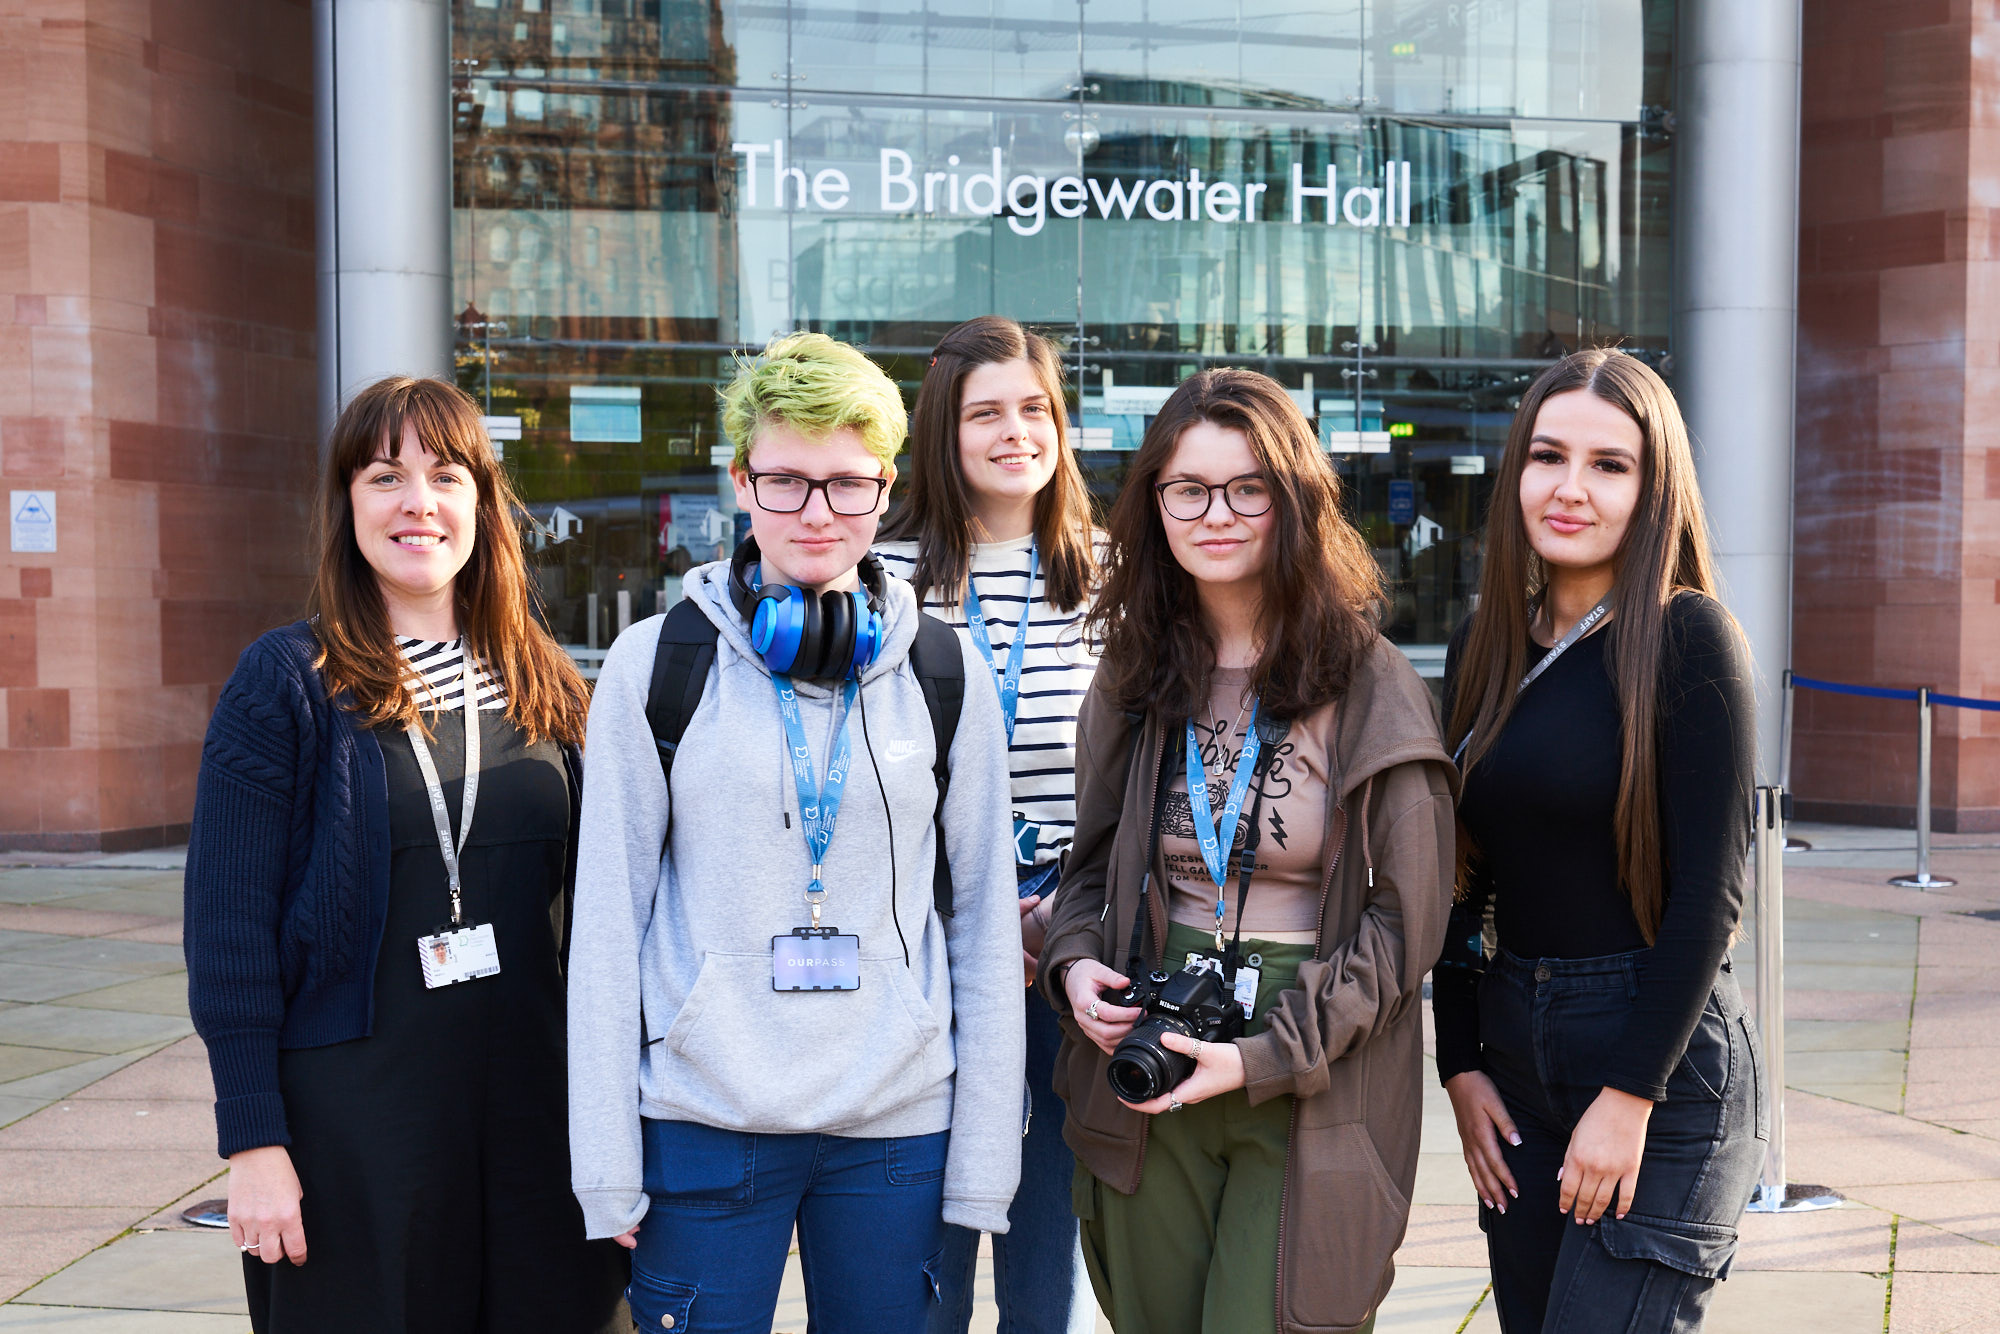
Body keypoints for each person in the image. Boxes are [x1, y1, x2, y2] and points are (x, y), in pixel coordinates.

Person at [566, 332, 1026, 1334]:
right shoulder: (655, 666)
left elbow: (987, 918)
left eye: (845, 483)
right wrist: (605, 1169)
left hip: (894, 1126)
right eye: (785, 480)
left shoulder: (944, 672)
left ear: (885, 487)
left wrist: (984, 1161)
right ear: (740, 480)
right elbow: (605, 921)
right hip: (704, 1120)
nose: (816, 511)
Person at [183, 377, 626, 1333]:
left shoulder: (553, 685)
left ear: (482, 503)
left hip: (539, 1120)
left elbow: (609, 921)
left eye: (445, 474)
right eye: (385, 476)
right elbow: (228, 932)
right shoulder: (287, 683)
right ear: (348, 505)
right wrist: (253, 1143)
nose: (417, 501)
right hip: (355, 1127)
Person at [1038, 369, 1458, 1334]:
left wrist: (1268, 1053)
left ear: (1293, 501)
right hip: (1153, 1032)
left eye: (1246, 489)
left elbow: (1408, 924)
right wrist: (1074, 966)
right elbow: (1090, 867)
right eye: (1187, 489)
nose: (1214, 514)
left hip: (1309, 1047)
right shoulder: (1136, 674)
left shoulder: (1370, 681)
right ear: (1155, 504)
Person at [1435, 348, 1763, 1333]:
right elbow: (1459, 875)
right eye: (1547, 455)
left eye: (1608, 464)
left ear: (1652, 485)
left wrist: (1629, 1094)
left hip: (1657, 1063)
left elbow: (1711, 894)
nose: (1568, 487)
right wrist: (1456, 1060)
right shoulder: (1481, 640)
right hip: (1514, 1056)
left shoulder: (1686, 637)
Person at [875, 315, 1102, 1334]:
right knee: (922, 1249)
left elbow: (1149, 771)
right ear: (942, 431)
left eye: (1033, 407)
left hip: (1069, 939)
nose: (1015, 431)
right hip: (920, 941)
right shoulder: (880, 576)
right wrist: (965, 917)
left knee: (1045, 1253)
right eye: (984, 413)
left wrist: (1065, 911)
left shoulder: (1120, 572)